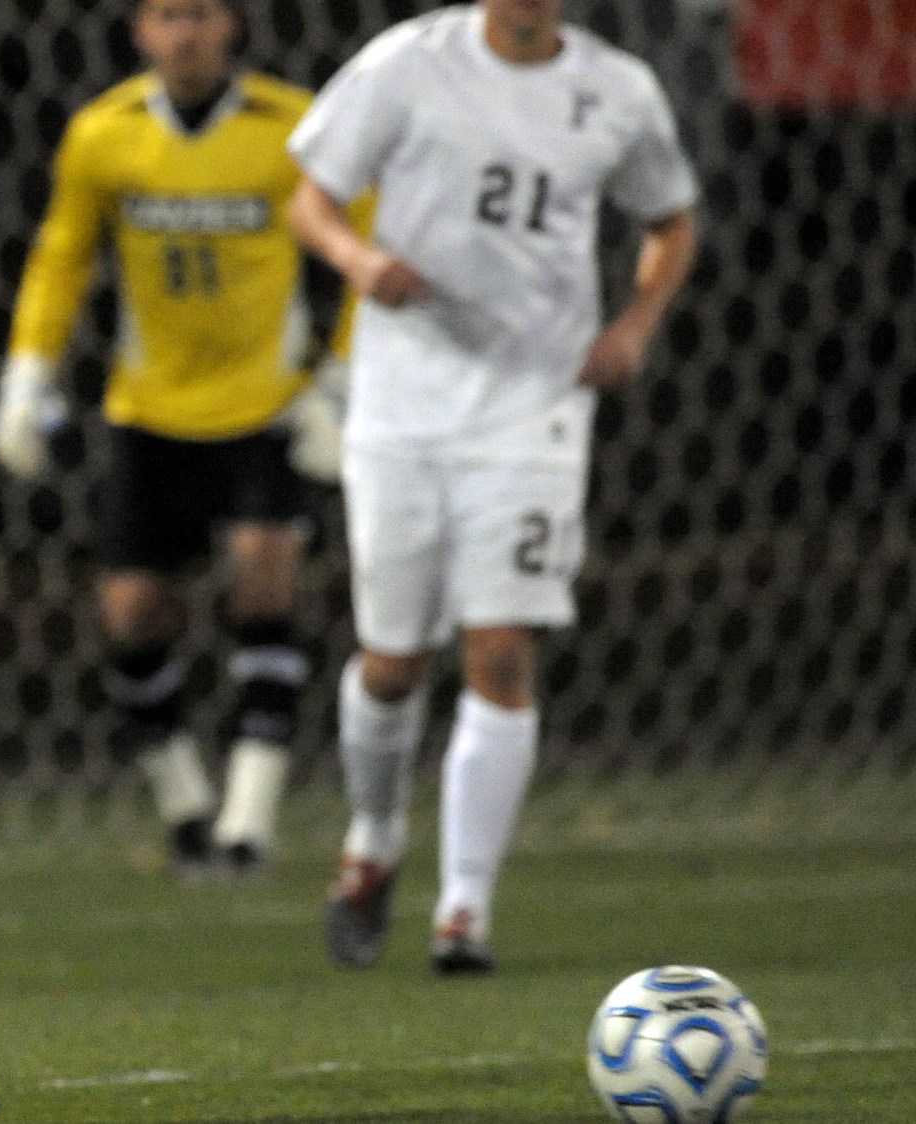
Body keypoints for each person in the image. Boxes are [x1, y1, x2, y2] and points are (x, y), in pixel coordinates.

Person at [286, 0, 698, 974]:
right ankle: (372, 838)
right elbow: (310, 199)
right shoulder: (406, 63)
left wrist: (634, 327)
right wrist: (357, 258)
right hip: (403, 400)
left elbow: (670, 220)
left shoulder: (616, 90)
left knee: (502, 650)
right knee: (392, 663)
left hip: (534, 404)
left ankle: (463, 910)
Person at [0, 0, 351, 877]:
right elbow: (63, 256)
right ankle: (187, 804)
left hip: (267, 406)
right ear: (140, 31)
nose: (185, 33)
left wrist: (340, 382)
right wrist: (28, 373)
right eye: (167, 15)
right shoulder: (104, 132)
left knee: (264, 575)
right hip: (149, 410)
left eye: (201, 14)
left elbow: (359, 247)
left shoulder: (295, 127)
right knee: (132, 615)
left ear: (232, 26)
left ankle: (249, 824)